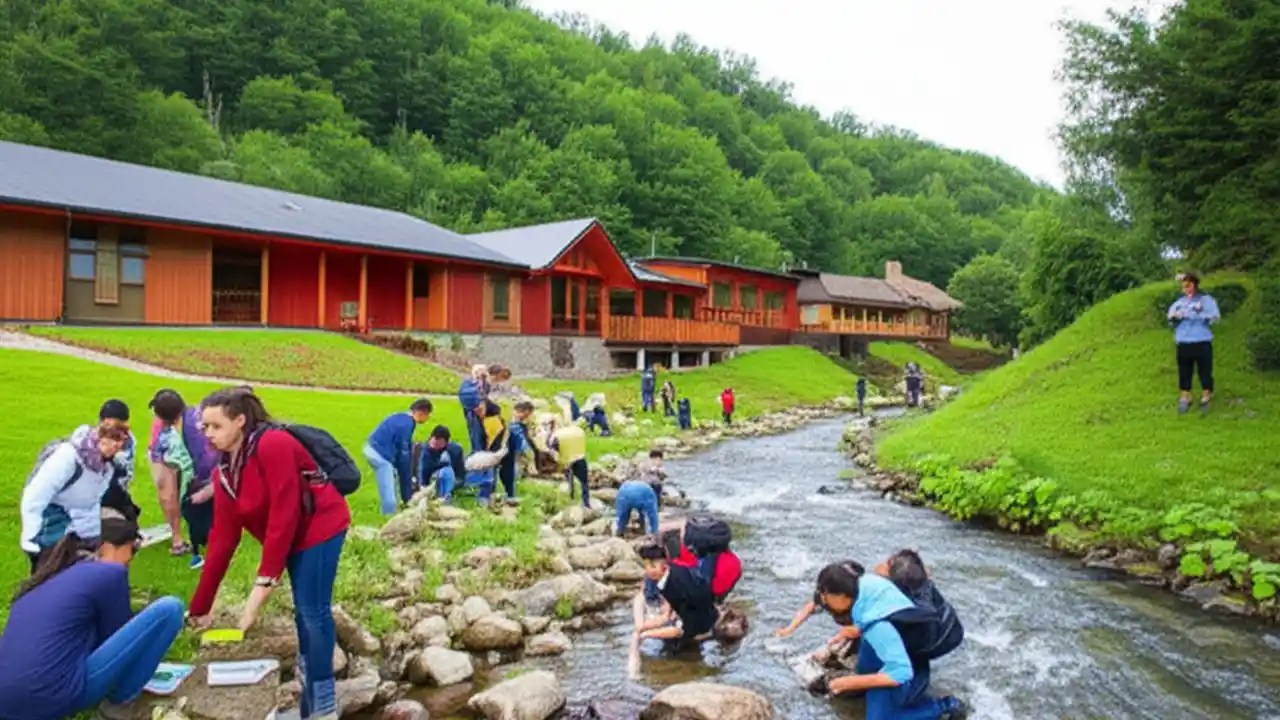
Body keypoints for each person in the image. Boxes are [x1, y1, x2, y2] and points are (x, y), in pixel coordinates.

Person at [188, 388, 352, 720]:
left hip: (320, 527)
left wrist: (262, 585)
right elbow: (222, 538)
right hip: (290, 535)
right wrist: (201, 607)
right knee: (302, 611)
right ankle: (308, 678)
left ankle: (322, 707)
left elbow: (285, 510)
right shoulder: (225, 472)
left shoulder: (273, 444)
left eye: (215, 426)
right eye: (204, 427)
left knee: (312, 610)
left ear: (240, 420)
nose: (207, 434)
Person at [0, 513, 184, 720]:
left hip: (6, 704)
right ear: (105, 547)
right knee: (170, 609)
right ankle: (118, 705)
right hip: (52, 698)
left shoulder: (45, 582)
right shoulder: (110, 573)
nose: (131, 559)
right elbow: (117, 641)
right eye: (132, 550)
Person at [792, 562, 968, 720]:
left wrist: (848, 683)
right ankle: (904, 689)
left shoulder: (875, 624)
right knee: (864, 668)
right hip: (903, 639)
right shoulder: (863, 582)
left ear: (841, 596)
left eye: (825, 595)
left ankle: (945, 706)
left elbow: (901, 672)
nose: (823, 600)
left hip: (909, 659)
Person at [21, 422, 130, 573]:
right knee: (46, 576)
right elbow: (35, 496)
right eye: (112, 439)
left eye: (120, 443)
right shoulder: (67, 458)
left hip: (80, 531)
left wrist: (92, 535)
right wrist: (30, 538)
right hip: (51, 525)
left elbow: (92, 501)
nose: (115, 447)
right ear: (99, 436)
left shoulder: (108, 466)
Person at [147, 390, 217, 556]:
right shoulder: (195, 415)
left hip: (201, 481)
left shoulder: (182, 431)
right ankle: (182, 538)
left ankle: (179, 539)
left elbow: (167, 490)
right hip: (208, 475)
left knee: (202, 527)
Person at [634, 543, 718, 653]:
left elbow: (678, 630)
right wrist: (643, 627)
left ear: (661, 567)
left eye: (649, 567)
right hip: (703, 610)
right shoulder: (675, 570)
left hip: (699, 626)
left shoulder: (676, 590)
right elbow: (668, 615)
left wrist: (646, 634)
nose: (646, 571)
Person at [364, 398, 433, 515]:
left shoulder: (400, 417)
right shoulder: (407, 425)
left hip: (370, 448)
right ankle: (388, 516)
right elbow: (403, 458)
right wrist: (408, 497)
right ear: (422, 413)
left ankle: (398, 504)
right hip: (380, 455)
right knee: (389, 497)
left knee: (392, 477)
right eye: (428, 415)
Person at [1167, 271, 1220, 414]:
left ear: (1195, 285)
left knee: (1205, 370)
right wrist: (1176, 317)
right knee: (1184, 369)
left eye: (1189, 285)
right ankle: (1186, 396)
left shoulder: (1206, 300)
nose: (1186, 289)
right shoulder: (1178, 304)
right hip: (1183, 340)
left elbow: (1215, 318)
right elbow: (1170, 320)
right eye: (1184, 286)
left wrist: (1198, 314)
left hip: (1201, 339)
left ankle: (1206, 395)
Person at [465, 400, 509, 507]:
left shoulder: (493, 421)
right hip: (487, 451)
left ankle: (485, 495)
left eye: (480, 409)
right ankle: (485, 493)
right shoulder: (478, 418)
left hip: (491, 452)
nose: (477, 411)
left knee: (487, 469)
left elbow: (493, 445)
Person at [548, 413, 590, 507]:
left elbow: (552, 450)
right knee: (584, 482)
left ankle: (570, 501)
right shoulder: (578, 431)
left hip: (566, 461)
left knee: (569, 481)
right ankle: (586, 503)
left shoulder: (556, 435)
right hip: (580, 457)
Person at [418, 425, 467, 502]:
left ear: (446, 443)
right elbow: (423, 472)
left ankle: (445, 496)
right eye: (434, 442)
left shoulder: (455, 451)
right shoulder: (425, 452)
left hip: (450, 478)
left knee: (446, 471)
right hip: (432, 481)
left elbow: (460, 476)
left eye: (439, 443)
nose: (435, 446)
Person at [458, 365, 490, 452]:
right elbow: (464, 395)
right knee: (475, 435)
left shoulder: (487, 384)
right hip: (473, 414)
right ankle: (477, 453)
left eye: (481, 372)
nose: (479, 374)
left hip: (487, 416)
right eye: (477, 372)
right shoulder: (467, 383)